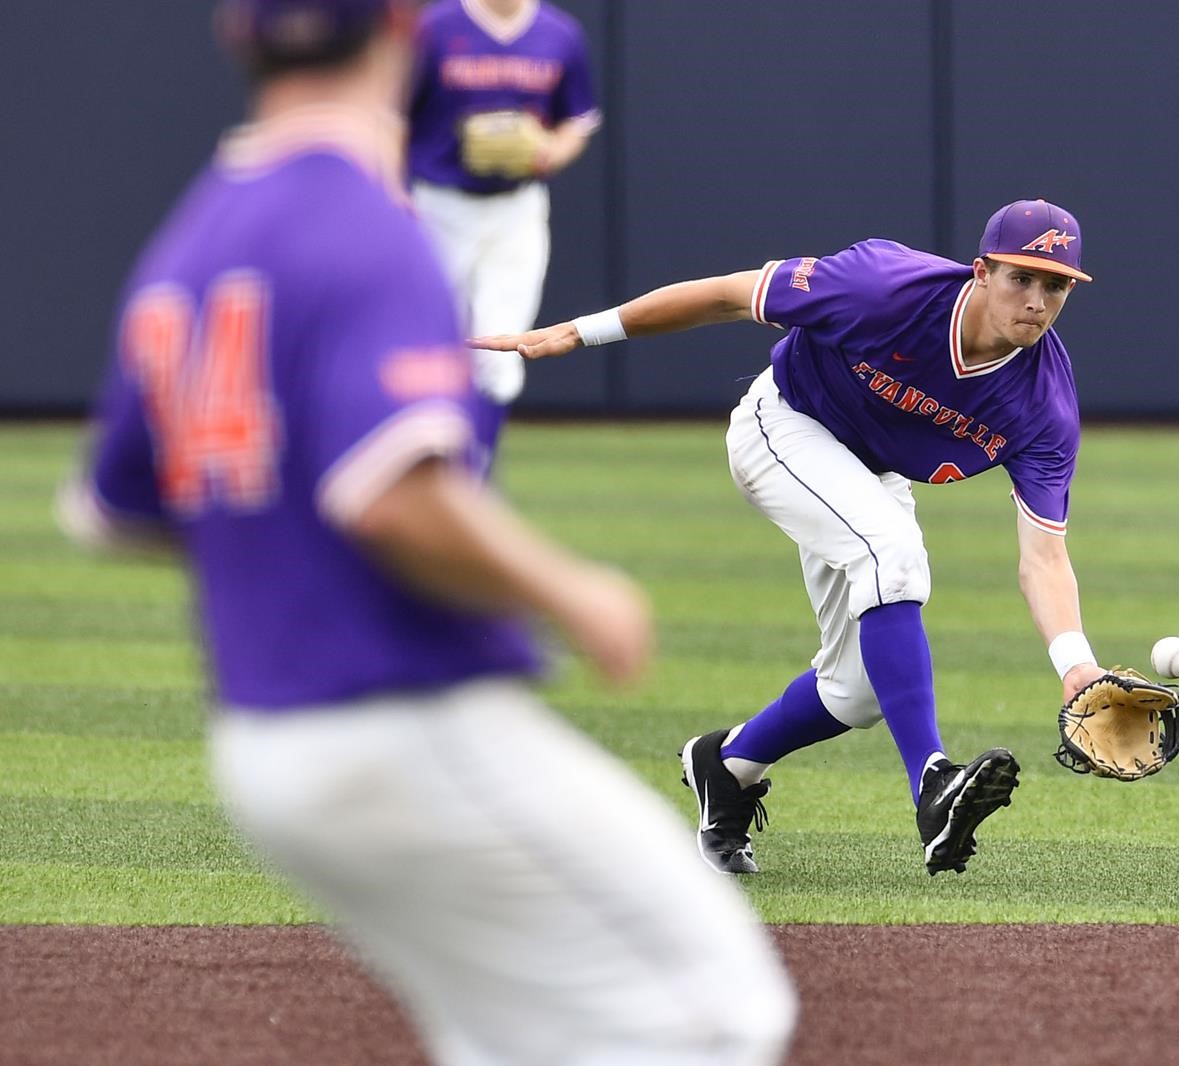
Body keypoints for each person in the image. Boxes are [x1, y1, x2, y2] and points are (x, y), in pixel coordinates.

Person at [55, 1, 794, 1062]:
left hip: (263, 746)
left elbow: (116, 507)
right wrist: (568, 589)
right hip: (394, 719)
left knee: (498, 1029)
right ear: (407, 29)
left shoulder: (196, 235)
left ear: (236, 37)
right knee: (720, 1007)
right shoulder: (363, 221)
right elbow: (391, 495)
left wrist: (280, 539)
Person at [472, 199, 1107, 878]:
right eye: (1022, 277)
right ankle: (931, 783)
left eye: (1057, 284)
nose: (1037, 300)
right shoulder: (883, 287)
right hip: (785, 428)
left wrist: (1077, 666)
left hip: (868, 475)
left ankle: (726, 763)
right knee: (890, 555)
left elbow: (1044, 558)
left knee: (859, 691)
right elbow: (723, 297)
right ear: (980, 272)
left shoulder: (1044, 405)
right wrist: (578, 333)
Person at [407, 0, 601, 444]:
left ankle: (478, 467)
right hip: (438, 203)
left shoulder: (558, 32)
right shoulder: (435, 26)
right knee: (431, 342)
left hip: (517, 206)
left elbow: (578, 120)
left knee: (501, 346)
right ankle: (428, 461)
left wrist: (554, 149)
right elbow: (393, 115)